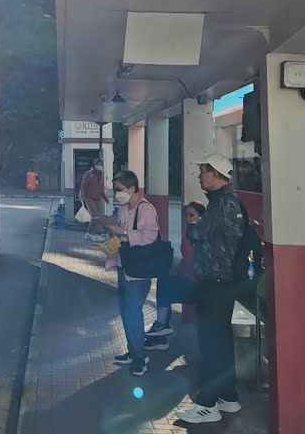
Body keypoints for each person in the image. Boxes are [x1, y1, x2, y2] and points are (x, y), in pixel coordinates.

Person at [178, 153, 246, 424]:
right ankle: (228, 398)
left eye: (203, 171)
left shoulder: (223, 205)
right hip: (222, 283)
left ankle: (207, 405)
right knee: (222, 342)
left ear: (217, 174)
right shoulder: (224, 202)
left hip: (216, 283)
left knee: (211, 345)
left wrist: (194, 226)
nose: (199, 176)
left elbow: (198, 234)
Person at [95, 169, 160, 376]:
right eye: (115, 190)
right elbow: (119, 230)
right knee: (125, 311)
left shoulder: (146, 209)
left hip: (139, 271)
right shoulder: (123, 208)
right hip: (125, 266)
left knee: (133, 313)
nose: (117, 193)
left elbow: (149, 236)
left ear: (133, 189)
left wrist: (123, 232)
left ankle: (140, 358)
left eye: (120, 189)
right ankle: (133, 352)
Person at [143, 201, 204, 351]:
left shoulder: (197, 232)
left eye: (192, 215)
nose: (188, 218)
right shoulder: (191, 230)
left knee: (164, 287)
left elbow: (194, 258)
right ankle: (161, 329)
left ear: (201, 216)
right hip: (189, 276)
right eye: (186, 215)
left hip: (196, 281)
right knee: (165, 285)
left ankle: (161, 326)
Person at [78, 158, 109, 241]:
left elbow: (102, 188)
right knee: (94, 216)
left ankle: (89, 233)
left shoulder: (102, 175)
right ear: (94, 165)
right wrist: (82, 196)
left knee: (95, 217)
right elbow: (83, 185)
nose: (99, 166)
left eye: (101, 165)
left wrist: (106, 199)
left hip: (97, 198)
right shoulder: (88, 174)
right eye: (97, 164)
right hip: (88, 198)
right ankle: (91, 234)